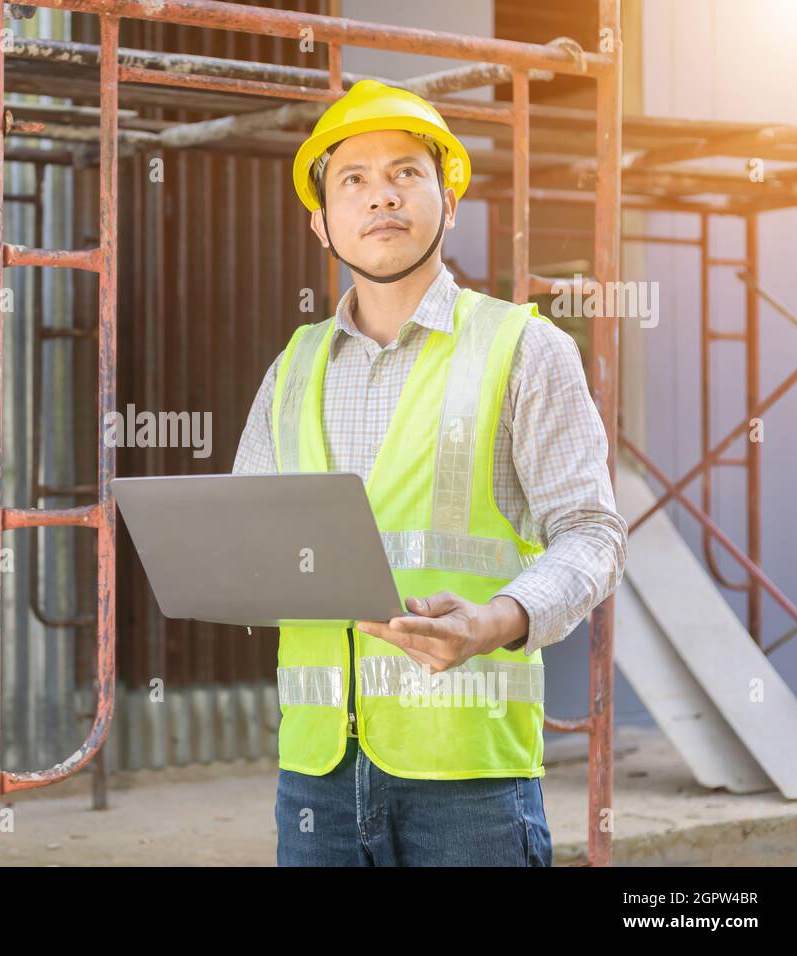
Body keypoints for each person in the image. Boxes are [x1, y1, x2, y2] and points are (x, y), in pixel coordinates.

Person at [232, 80, 628, 867]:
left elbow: (593, 535)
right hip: (316, 778)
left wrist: (495, 620)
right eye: (353, 180)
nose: (381, 196)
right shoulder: (293, 368)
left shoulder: (524, 348)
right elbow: (248, 536)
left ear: (448, 198)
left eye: (406, 173)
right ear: (322, 222)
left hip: (468, 777)